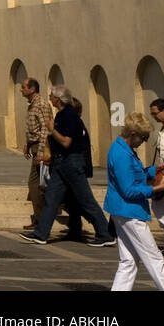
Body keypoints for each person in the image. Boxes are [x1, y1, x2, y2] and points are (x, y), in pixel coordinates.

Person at [20, 85, 115, 247]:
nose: (50, 98)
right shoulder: (61, 115)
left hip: (71, 163)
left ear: (58, 99)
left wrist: (52, 130)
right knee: (51, 198)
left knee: (86, 200)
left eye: (52, 96)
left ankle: (105, 234)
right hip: (61, 163)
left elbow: (66, 141)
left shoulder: (69, 116)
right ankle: (41, 234)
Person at [104, 112, 164, 290]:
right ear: (133, 134)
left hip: (122, 211)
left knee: (128, 261)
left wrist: (153, 170)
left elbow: (134, 174)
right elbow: (129, 191)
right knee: (154, 258)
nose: (144, 142)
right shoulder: (121, 155)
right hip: (129, 212)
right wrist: (158, 188)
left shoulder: (123, 149)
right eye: (144, 138)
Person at [21, 78, 51, 230]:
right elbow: (32, 128)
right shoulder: (31, 105)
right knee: (36, 184)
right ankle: (39, 219)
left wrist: (42, 152)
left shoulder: (41, 105)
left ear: (32, 89)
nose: (21, 90)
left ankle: (41, 220)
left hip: (41, 148)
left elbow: (45, 129)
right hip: (34, 146)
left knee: (36, 185)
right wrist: (27, 144)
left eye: (23, 87)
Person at [150, 99, 164, 242]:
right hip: (162, 175)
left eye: (155, 113)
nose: (154, 117)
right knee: (159, 208)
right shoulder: (162, 131)